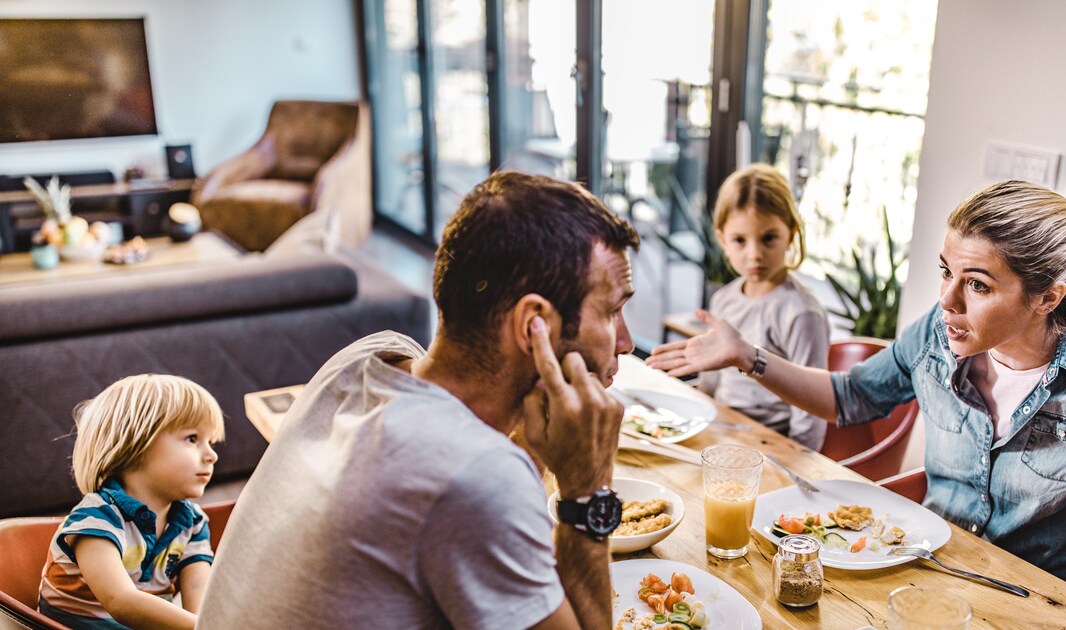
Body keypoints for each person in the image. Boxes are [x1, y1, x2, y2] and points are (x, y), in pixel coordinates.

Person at [648, 179, 1066, 618]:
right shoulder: (937, 335)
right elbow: (849, 397)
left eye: (978, 285)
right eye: (945, 272)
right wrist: (748, 354)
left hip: (1037, 609)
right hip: (923, 583)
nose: (947, 301)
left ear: (1048, 297)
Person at [198, 171, 639, 629]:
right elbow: (473, 486)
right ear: (535, 326)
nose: (625, 342)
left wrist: (540, 444)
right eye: (612, 312)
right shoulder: (473, 476)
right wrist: (588, 493)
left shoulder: (369, 358)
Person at [39, 374, 225, 630]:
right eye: (192, 438)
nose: (212, 455)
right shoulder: (97, 517)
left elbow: (199, 596)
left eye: (211, 442)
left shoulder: (192, 522)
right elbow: (121, 600)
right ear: (135, 443)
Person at [698, 163, 829, 449]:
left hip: (773, 443)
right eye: (739, 241)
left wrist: (800, 463)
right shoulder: (723, 299)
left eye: (769, 238)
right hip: (722, 430)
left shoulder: (801, 313)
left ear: (791, 233)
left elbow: (810, 406)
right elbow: (710, 380)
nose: (754, 254)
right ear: (722, 240)